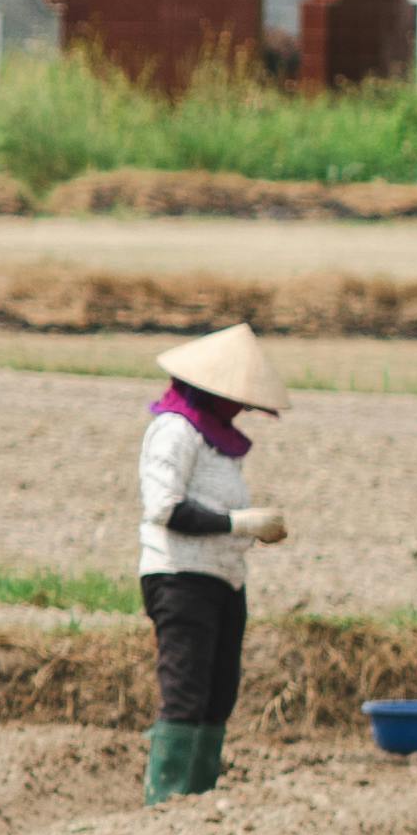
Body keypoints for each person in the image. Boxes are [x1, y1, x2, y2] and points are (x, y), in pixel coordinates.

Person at [137, 321, 288, 803]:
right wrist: (240, 525)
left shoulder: (216, 443)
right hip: (181, 578)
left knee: (219, 693)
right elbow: (166, 509)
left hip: (223, 578)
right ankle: (167, 802)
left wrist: (246, 530)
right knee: (186, 692)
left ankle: (197, 800)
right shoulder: (174, 431)